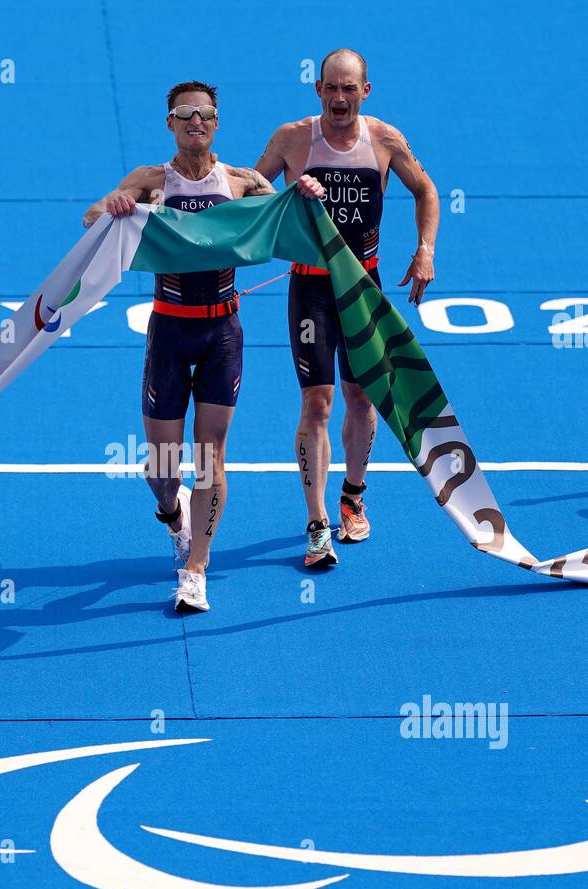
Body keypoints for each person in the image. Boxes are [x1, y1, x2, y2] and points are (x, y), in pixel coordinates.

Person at [85, 80, 322, 611]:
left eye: (206, 114)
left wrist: (305, 195)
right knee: (162, 468)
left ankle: (197, 568)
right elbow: (92, 218)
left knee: (210, 454)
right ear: (170, 123)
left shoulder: (240, 182)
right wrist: (113, 206)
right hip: (169, 332)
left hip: (222, 334)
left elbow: (294, 217)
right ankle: (173, 515)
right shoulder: (151, 181)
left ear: (217, 123)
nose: (197, 121)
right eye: (185, 113)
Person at [255, 48, 440, 567]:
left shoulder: (385, 139)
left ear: (365, 91)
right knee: (318, 402)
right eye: (330, 88)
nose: (339, 99)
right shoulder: (294, 138)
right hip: (311, 289)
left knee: (362, 398)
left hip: (364, 287)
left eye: (348, 89)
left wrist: (424, 250)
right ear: (318, 90)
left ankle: (353, 497)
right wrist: (285, 194)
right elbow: (248, 186)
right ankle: (317, 525)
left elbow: (426, 190)